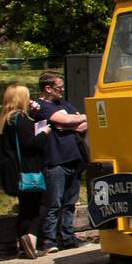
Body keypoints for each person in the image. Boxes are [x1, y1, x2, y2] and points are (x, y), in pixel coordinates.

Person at [29, 71, 89, 254]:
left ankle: (67, 237)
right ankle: (49, 241)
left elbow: (81, 123)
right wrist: (69, 121)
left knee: (70, 202)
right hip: (55, 160)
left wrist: (68, 123)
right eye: (58, 88)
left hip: (73, 158)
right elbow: (67, 119)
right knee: (53, 203)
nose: (61, 91)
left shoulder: (62, 103)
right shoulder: (40, 106)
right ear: (47, 88)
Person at [0, 84, 48, 258]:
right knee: (37, 207)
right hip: (27, 170)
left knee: (24, 207)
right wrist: (45, 132)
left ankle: (23, 244)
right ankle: (30, 239)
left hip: (12, 170)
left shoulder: (6, 119)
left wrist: (34, 112)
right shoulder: (21, 119)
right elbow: (30, 144)